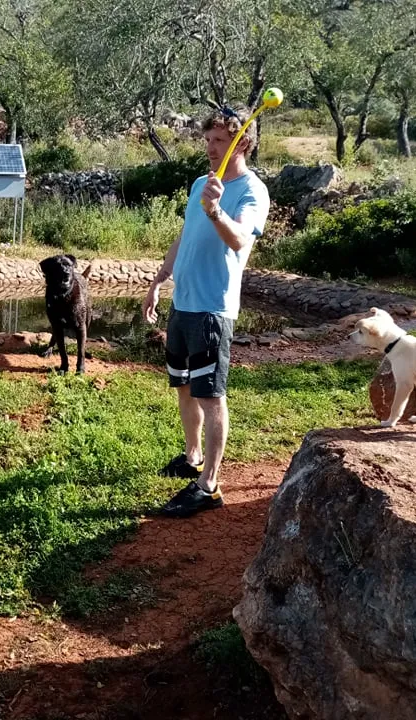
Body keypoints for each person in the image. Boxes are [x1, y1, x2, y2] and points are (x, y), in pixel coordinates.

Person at [142, 106, 271, 518]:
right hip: (183, 305)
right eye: (209, 140)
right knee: (183, 386)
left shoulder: (252, 191)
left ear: (242, 143)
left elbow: (237, 240)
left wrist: (216, 211)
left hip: (213, 311)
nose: (211, 148)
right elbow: (185, 237)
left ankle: (209, 485)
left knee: (211, 396)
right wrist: (159, 279)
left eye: (220, 141)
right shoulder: (201, 182)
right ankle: (193, 455)